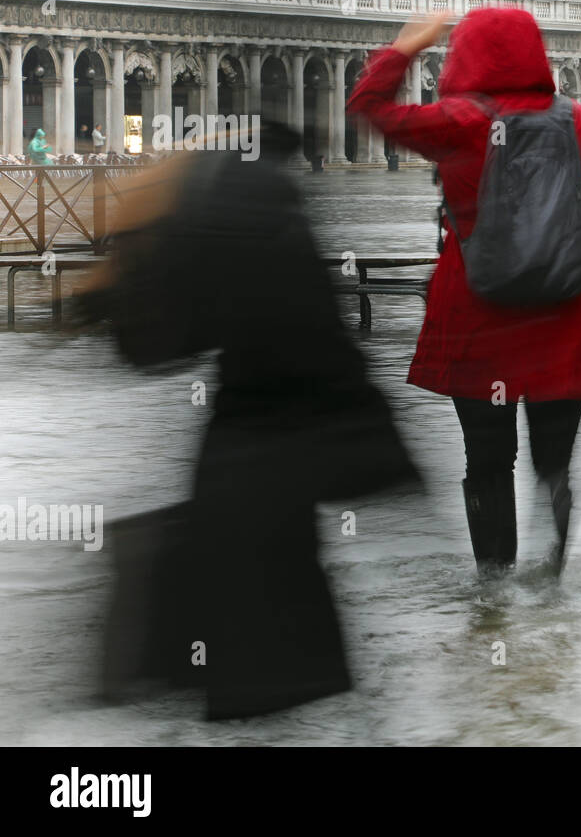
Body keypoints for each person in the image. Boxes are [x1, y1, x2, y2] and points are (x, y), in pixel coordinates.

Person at [78, 119, 419, 720]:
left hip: (249, 459)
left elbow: (154, 344)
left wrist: (128, 246)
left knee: (252, 664)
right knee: (286, 658)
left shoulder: (222, 204)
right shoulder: (268, 200)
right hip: (292, 452)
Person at [348, 8, 581, 575]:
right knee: (557, 461)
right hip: (564, 319)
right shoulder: (580, 122)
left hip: (477, 316)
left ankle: (492, 591)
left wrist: (405, 48)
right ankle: (554, 584)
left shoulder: (458, 121)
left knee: (488, 461)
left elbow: (368, 109)